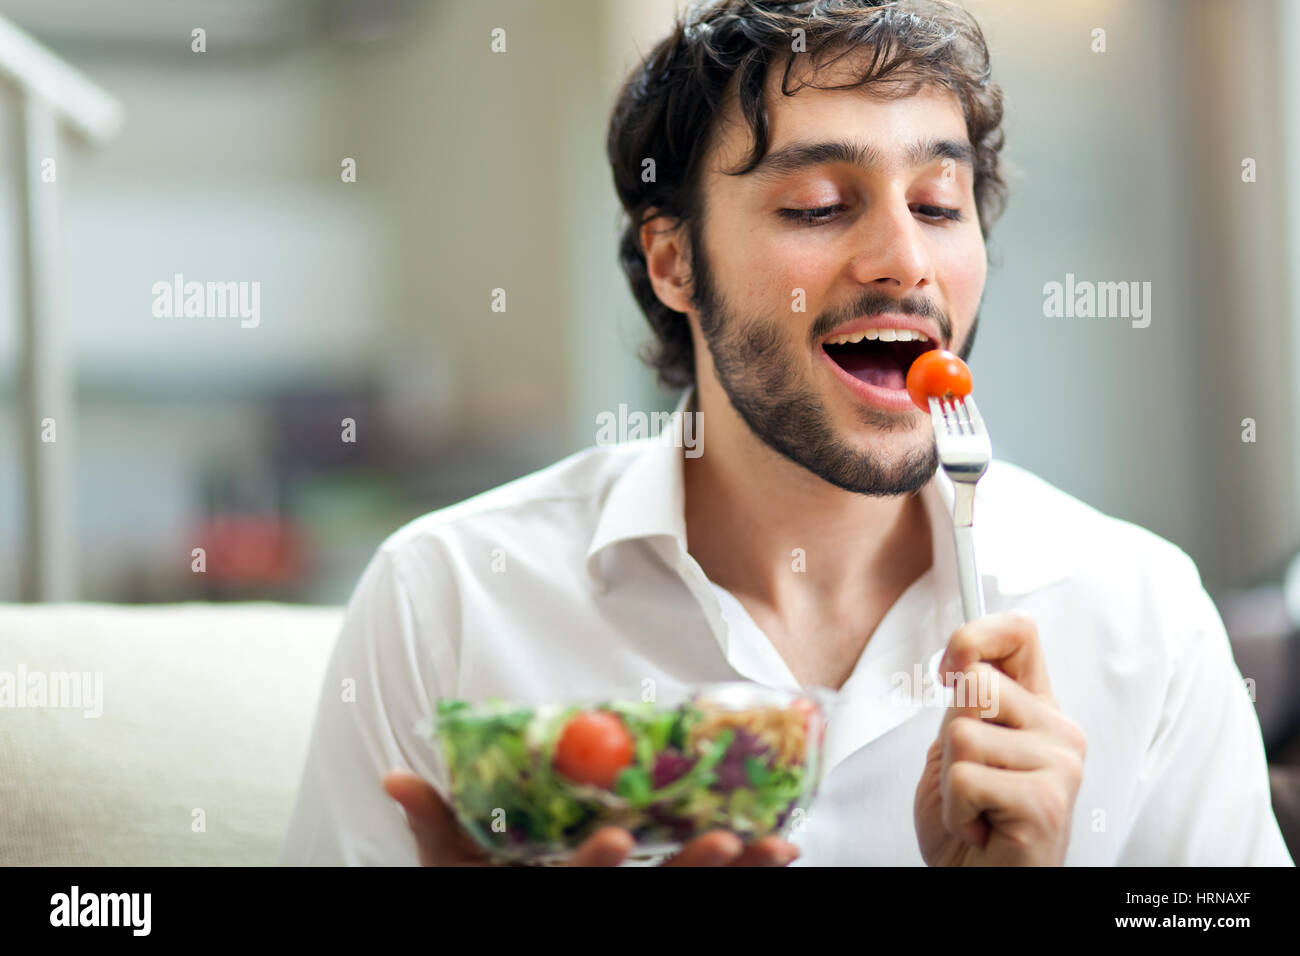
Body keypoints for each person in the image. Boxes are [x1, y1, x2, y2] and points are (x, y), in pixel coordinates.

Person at [279, 0, 1294, 866]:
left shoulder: (1138, 612)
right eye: (816, 203)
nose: (904, 258)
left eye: (938, 202)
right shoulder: (450, 596)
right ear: (673, 262)